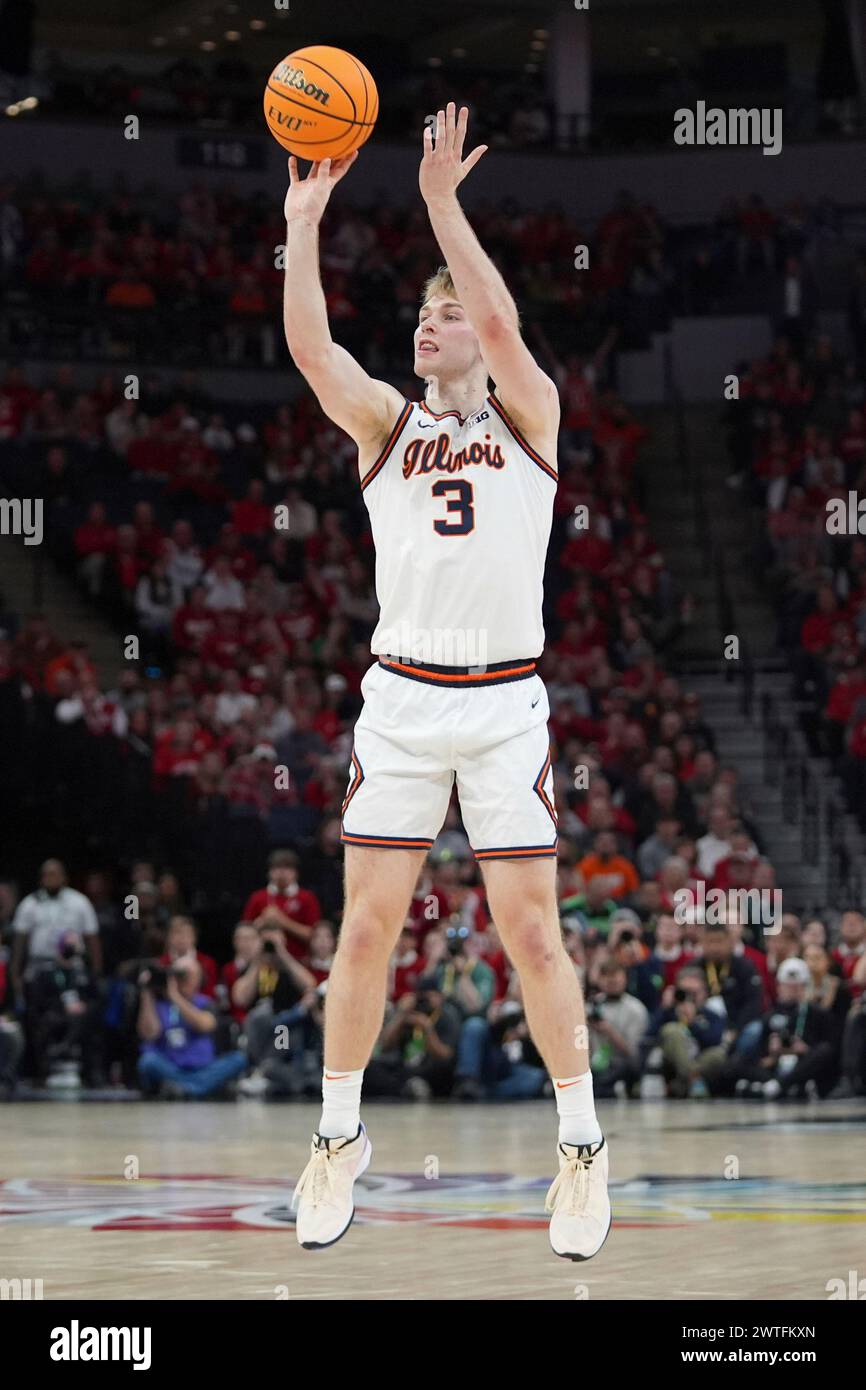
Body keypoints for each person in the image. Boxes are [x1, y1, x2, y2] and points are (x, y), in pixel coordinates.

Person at [284, 104, 609, 1260]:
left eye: (445, 314)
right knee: (364, 929)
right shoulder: (385, 425)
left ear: (476, 329)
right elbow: (316, 353)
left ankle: (577, 1148)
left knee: (530, 933)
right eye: (420, 314)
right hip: (405, 701)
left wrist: (437, 205)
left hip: (505, 701)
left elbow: (508, 320)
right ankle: (336, 1135)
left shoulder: (532, 415)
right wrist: (302, 223)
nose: (429, 326)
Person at [137, 957, 246, 1099]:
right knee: (147, 1061)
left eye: (187, 975)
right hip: (172, 1068)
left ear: (198, 978)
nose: (183, 979)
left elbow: (205, 1025)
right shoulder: (159, 1004)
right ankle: (198, 1088)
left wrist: (174, 996)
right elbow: (149, 1034)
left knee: (238, 1059)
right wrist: (146, 993)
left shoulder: (204, 1002)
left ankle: (187, 1088)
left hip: (205, 1068)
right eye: (179, 974)